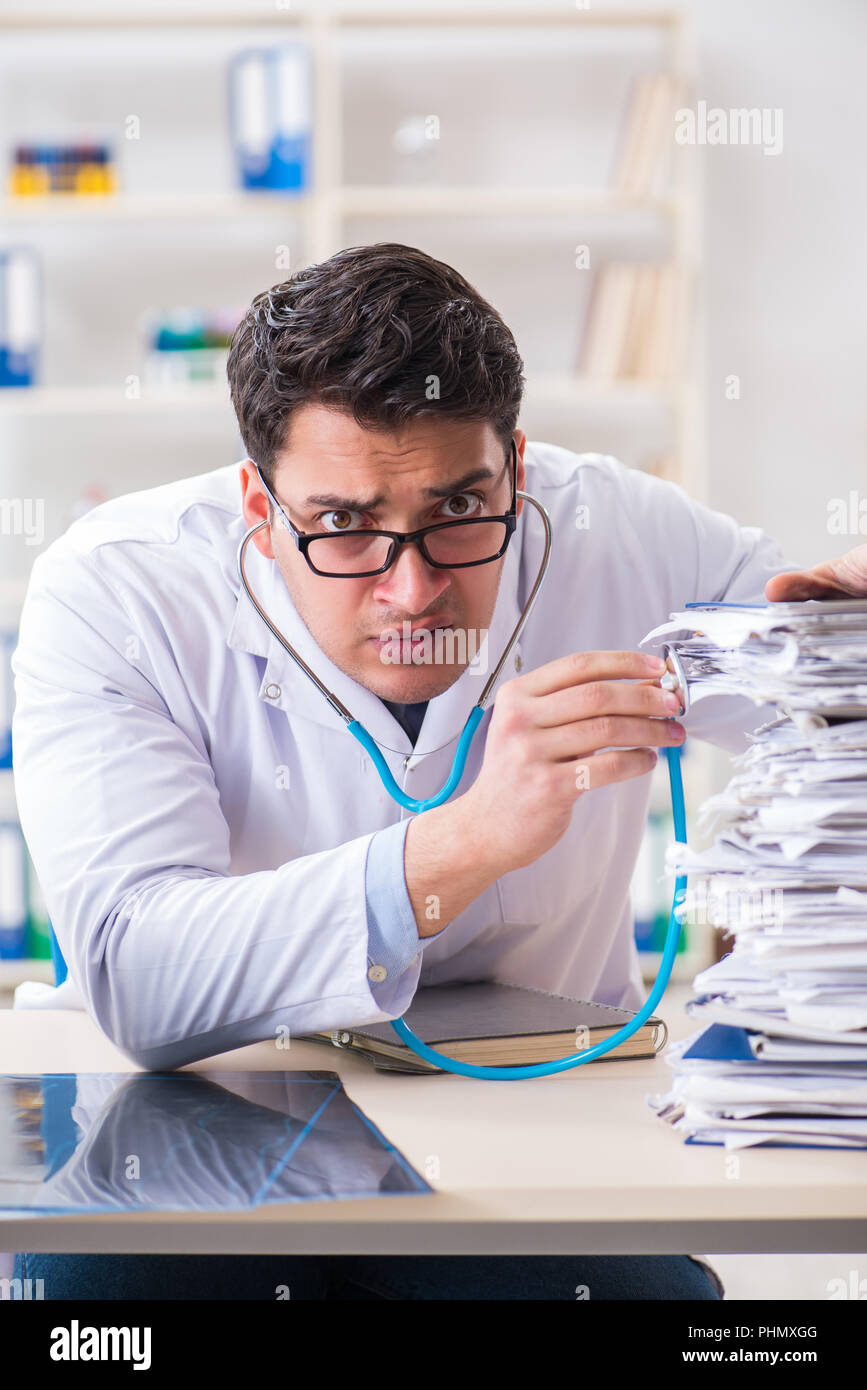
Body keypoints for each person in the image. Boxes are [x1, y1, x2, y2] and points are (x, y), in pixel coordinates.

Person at [9, 243, 864, 1301]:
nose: (411, 591)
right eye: (341, 524)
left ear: (517, 461)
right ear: (257, 504)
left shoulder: (633, 535)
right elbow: (140, 974)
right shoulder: (115, 591)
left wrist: (846, 652)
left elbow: (816, 713)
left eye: (460, 510)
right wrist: (465, 840)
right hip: (197, 1114)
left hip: (536, 1121)